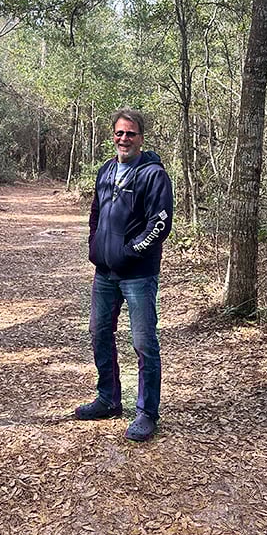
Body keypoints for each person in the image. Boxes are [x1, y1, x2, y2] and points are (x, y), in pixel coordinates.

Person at [75, 108, 173, 442]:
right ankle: (108, 399)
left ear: (141, 138)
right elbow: (95, 214)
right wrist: (95, 246)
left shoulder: (153, 175)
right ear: (113, 136)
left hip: (138, 276)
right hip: (104, 273)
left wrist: (130, 252)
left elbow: (159, 224)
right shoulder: (106, 170)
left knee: (143, 342)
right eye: (119, 133)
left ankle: (147, 412)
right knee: (99, 332)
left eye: (130, 133)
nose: (124, 139)